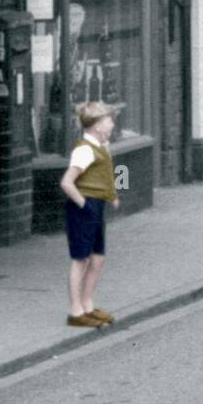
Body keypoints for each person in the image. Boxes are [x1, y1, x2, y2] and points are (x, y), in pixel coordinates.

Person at [60, 101, 120, 327]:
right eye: (108, 121)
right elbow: (67, 182)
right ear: (96, 125)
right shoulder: (84, 150)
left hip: (96, 206)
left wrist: (112, 196)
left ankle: (88, 305)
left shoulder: (101, 146)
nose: (112, 124)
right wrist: (84, 204)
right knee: (80, 260)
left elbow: (104, 175)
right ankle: (75, 312)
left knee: (97, 259)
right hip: (84, 209)